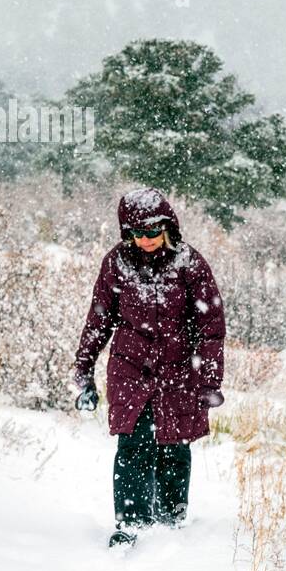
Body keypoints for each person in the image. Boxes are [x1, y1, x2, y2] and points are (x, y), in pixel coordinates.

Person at [72, 187, 226, 547]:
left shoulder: (190, 264)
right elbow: (98, 320)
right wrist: (84, 369)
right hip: (130, 369)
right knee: (133, 445)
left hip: (179, 371)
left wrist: (208, 379)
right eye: (137, 233)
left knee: (174, 444)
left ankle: (171, 518)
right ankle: (132, 522)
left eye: (153, 232)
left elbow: (211, 327)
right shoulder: (116, 263)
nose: (146, 240)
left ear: (167, 227)